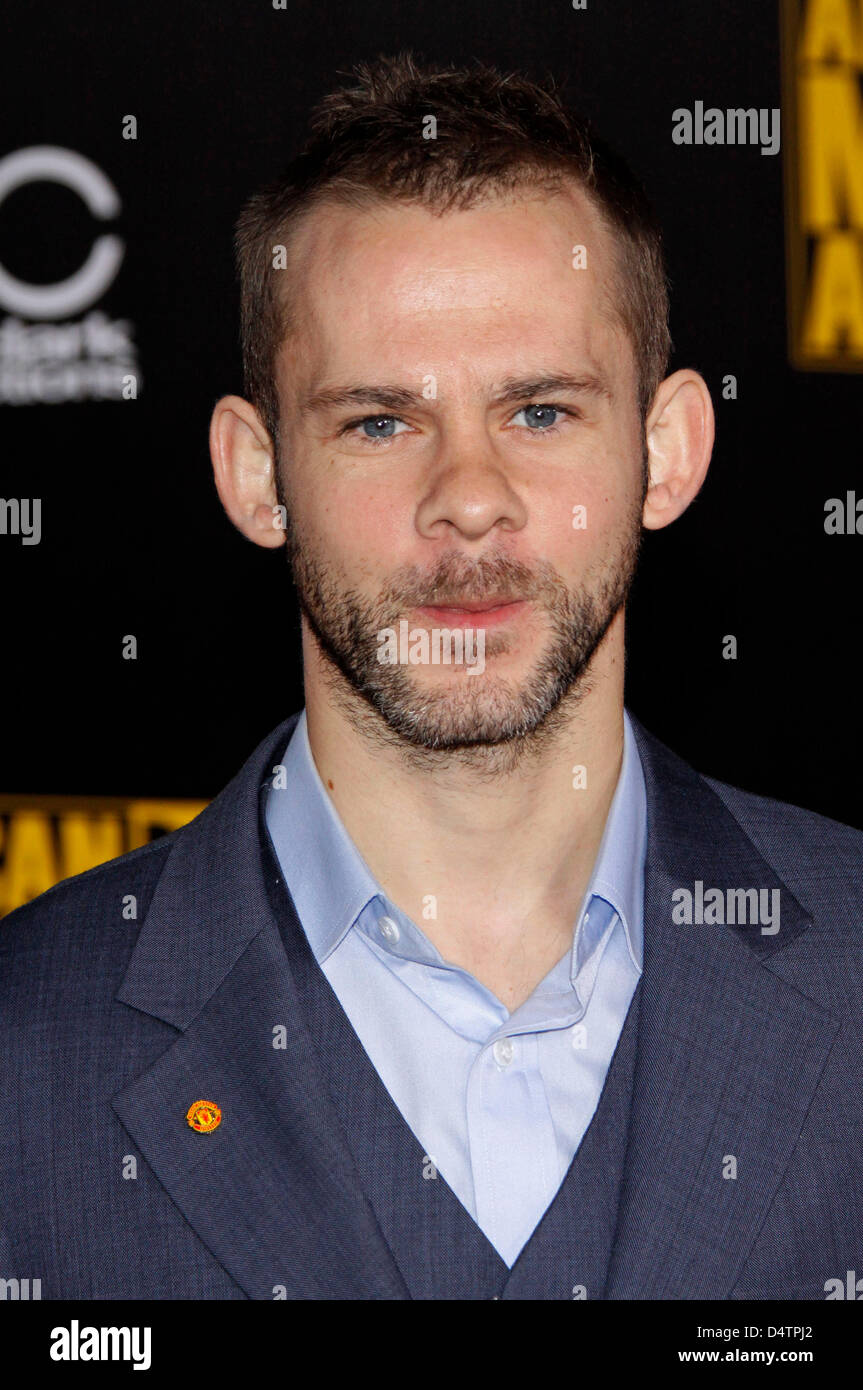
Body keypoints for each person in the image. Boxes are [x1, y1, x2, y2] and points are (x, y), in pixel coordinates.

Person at [2, 53, 861, 1302]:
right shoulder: (24, 1057)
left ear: (665, 452)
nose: (467, 498)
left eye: (540, 412)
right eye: (378, 422)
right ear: (257, 477)